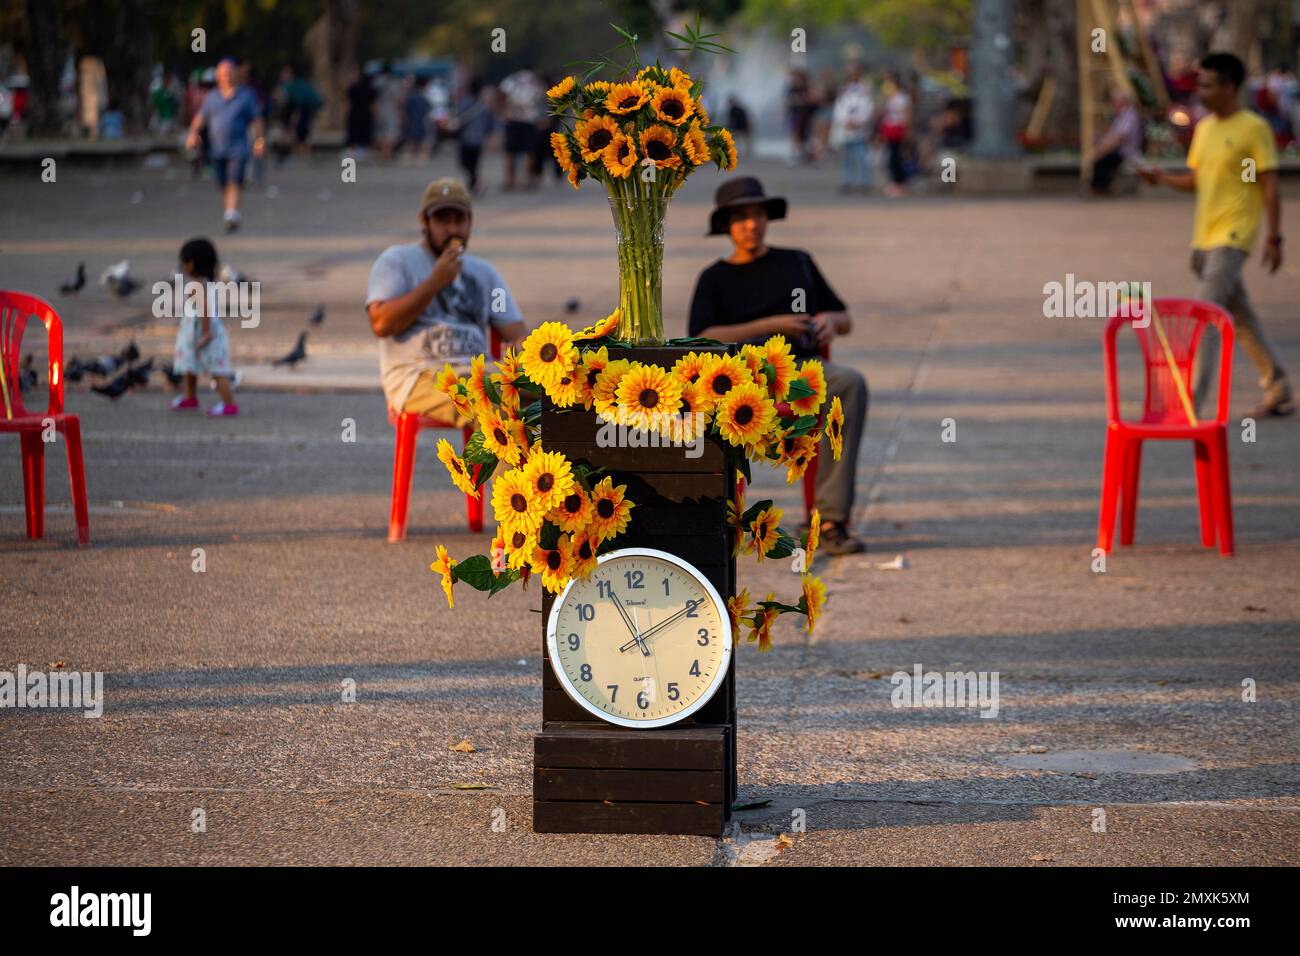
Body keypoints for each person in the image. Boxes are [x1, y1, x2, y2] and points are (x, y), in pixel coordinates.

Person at [688, 176, 868, 555]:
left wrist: (829, 322)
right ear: (726, 226)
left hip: (800, 370)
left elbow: (844, 318)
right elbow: (702, 336)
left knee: (850, 382)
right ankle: (720, 519)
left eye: (756, 214)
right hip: (739, 379)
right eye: (740, 218)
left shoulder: (796, 262)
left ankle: (830, 518)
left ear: (767, 218)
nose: (751, 224)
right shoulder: (714, 277)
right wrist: (772, 325)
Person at [1141, 52, 1292, 418]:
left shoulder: (1253, 128)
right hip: (1203, 239)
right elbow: (1195, 180)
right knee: (1240, 316)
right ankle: (1278, 385)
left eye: (1208, 85)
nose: (1201, 92)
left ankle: (1188, 402)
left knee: (1203, 315)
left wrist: (1274, 238)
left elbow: (1269, 185)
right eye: (1200, 84)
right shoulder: (1205, 128)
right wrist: (1161, 179)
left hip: (1233, 236)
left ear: (1230, 87)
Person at [366, 178, 527, 420]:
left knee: (558, 399)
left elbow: (517, 334)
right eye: (442, 220)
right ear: (424, 221)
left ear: (470, 221)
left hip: (482, 374)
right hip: (418, 375)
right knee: (495, 410)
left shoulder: (484, 272)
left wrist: (527, 357)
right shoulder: (397, 260)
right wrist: (435, 281)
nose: (452, 230)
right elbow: (381, 324)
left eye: (459, 220)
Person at [186, 58, 264, 232]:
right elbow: (201, 118)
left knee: (234, 181)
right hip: (217, 148)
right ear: (217, 76)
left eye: (229, 73)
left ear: (235, 74)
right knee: (222, 183)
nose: (226, 77)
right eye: (223, 74)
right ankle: (229, 211)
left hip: (239, 147)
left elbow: (257, 120)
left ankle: (231, 213)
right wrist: (192, 134)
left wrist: (259, 141)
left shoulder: (246, 96)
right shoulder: (211, 97)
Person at [170, 237, 240, 417]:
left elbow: (205, 311)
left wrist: (207, 333)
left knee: (218, 371)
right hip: (197, 333)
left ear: (191, 264)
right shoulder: (207, 283)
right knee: (189, 366)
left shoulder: (196, 286)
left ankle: (228, 404)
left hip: (204, 334)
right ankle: (189, 397)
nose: (182, 266)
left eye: (183, 262)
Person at [1090, 89, 1144, 194]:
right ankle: (1101, 187)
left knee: (1102, 161)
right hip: (1120, 151)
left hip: (1127, 153)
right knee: (1102, 160)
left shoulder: (1129, 116)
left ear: (1120, 102)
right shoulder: (1121, 116)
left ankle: (1101, 189)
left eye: (1113, 102)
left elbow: (1120, 138)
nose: (1111, 105)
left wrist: (1101, 150)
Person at [499, 68, 544, 189]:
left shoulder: (513, 78)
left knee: (510, 152)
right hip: (529, 120)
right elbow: (541, 98)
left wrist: (503, 110)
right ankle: (529, 180)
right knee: (529, 152)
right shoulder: (535, 80)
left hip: (513, 119)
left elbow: (502, 91)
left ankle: (509, 181)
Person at [832, 63, 873, 193]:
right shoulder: (843, 91)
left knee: (862, 158)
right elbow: (839, 108)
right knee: (847, 159)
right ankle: (847, 182)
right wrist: (845, 121)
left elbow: (868, 108)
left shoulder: (865, 90)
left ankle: (864, 183)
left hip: (860, 130)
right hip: (846, 130)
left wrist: (858, 121)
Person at [453, 77, 493, 194]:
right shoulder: (483, 106)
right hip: (478, 139)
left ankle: (474, 184)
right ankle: (474, 184)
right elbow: (488, 124)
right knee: (474, 164)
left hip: (466, 138)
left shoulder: (464, 102)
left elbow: (459, 119)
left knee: (464, 163)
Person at [878, 69, 912, 197]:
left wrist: (906, 130)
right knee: (891, 157)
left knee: (896, 157)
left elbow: (906, 115)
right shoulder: (889, 98)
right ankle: (894, 182)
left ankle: (900, 183)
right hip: (889, 129)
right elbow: (882, 112)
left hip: (898, 129)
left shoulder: (902, 97)